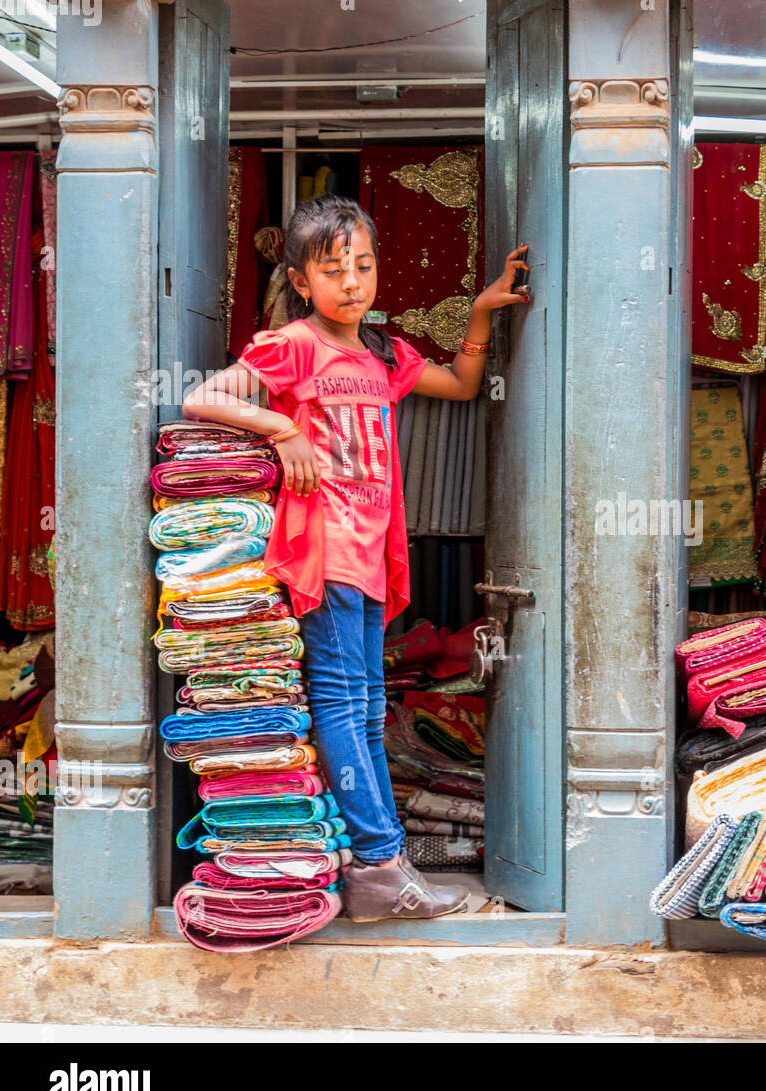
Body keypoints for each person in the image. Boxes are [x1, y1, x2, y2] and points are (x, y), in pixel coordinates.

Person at [182, 195, 529, 921]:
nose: (352, 282)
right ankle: (381, 862)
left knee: (369, 710)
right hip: (325, 550)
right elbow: (204, 398)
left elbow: (462, 386)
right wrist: (281, 425)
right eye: (333, 269)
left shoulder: (382, 354)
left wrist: (482, 310)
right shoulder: (293, 345)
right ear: (303, 282)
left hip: (372, 555)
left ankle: (379, 868)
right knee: (344, 705)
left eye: (363, 266)